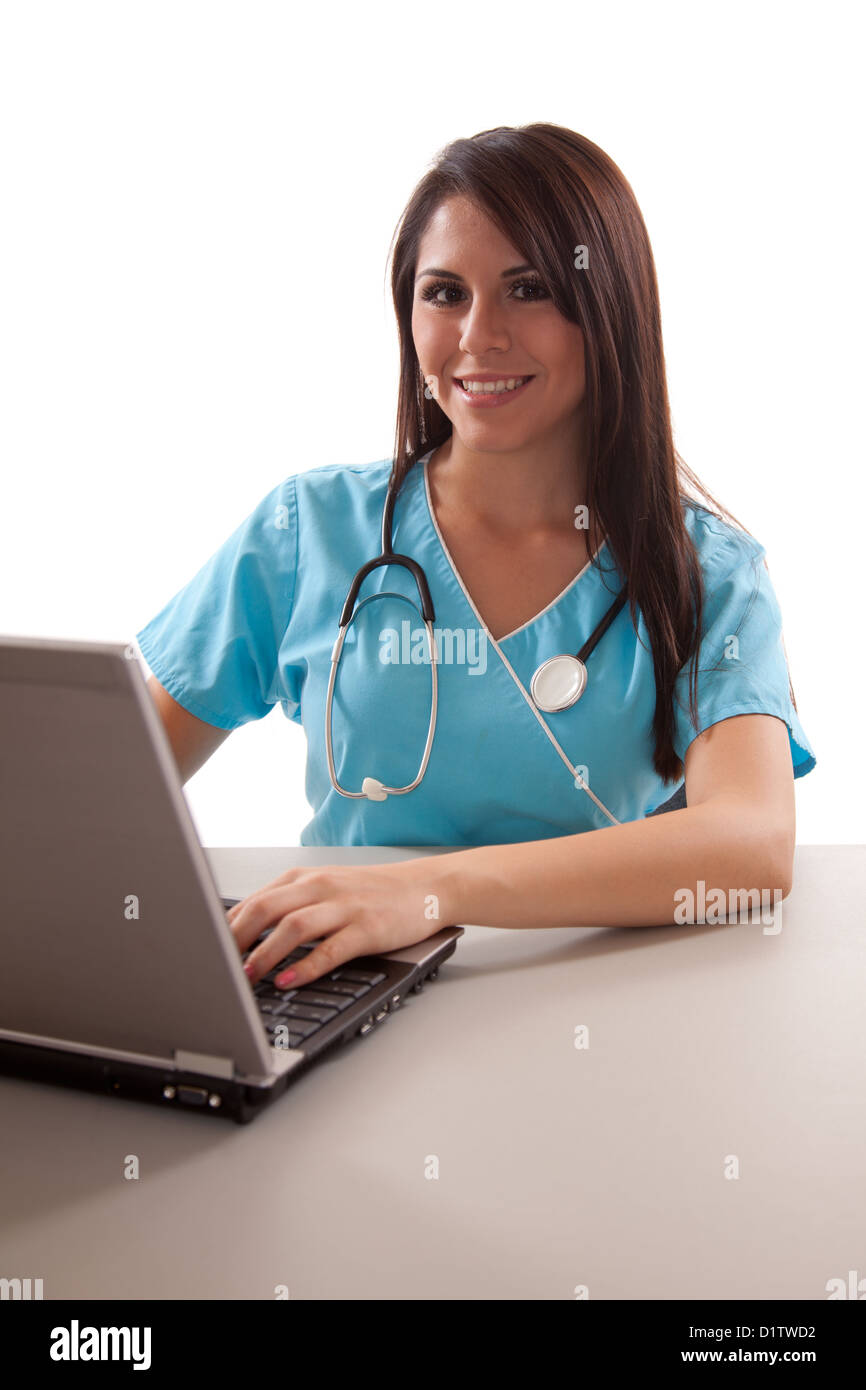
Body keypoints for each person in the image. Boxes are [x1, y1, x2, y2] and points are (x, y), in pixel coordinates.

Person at [134, 123, 816, 993]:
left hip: (616, 1014)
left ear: (608, 309)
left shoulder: (708, 572)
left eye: (527, 288)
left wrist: (427, 891)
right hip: (339, 1004)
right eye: (445, 293)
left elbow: (751, 847)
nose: (479, 336)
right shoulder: (308, 530)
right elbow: (104, 791)